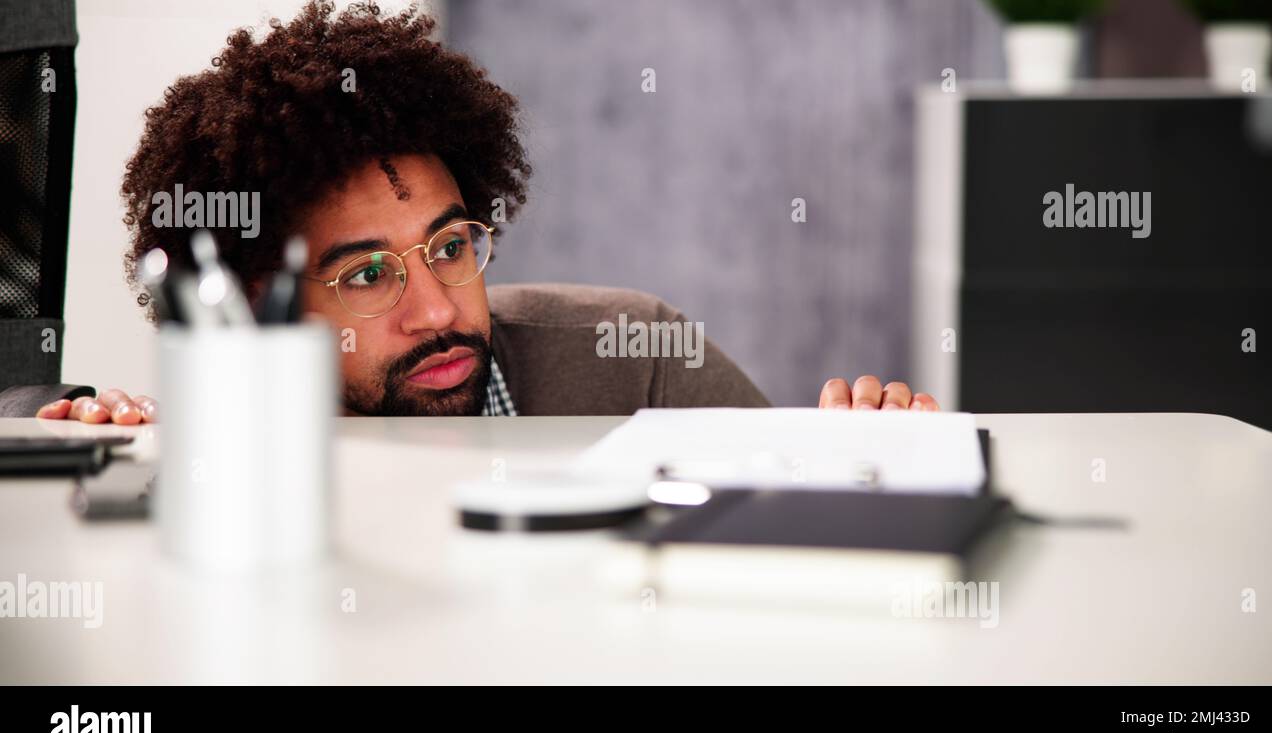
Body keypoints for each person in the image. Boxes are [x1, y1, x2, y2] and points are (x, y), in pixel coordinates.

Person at [36, 1, 937, 424]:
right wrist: (89, 436)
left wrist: (868, 459)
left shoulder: (634, 360)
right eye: (366, 274)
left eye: (451, 245)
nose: (436, 310)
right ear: (266, 301)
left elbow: (783, 540)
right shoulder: (223, 442)